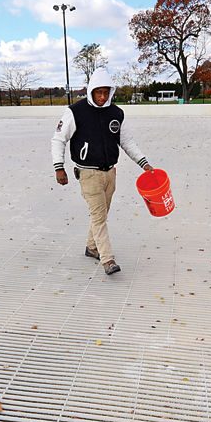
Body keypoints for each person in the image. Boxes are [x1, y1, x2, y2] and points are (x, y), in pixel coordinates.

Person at [51, 68, 153, 275]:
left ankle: (91, 247)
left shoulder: (116, 113)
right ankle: (107, 259)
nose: (102, 97)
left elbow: (126, 141)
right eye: (99, 92)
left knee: (101, 215)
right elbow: (59, 139)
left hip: (110, 174)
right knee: (99, 216)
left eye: (106, 92)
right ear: (91, 91)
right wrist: (59, 167)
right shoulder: (75, 111)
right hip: (88, 175)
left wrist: (144, 164)